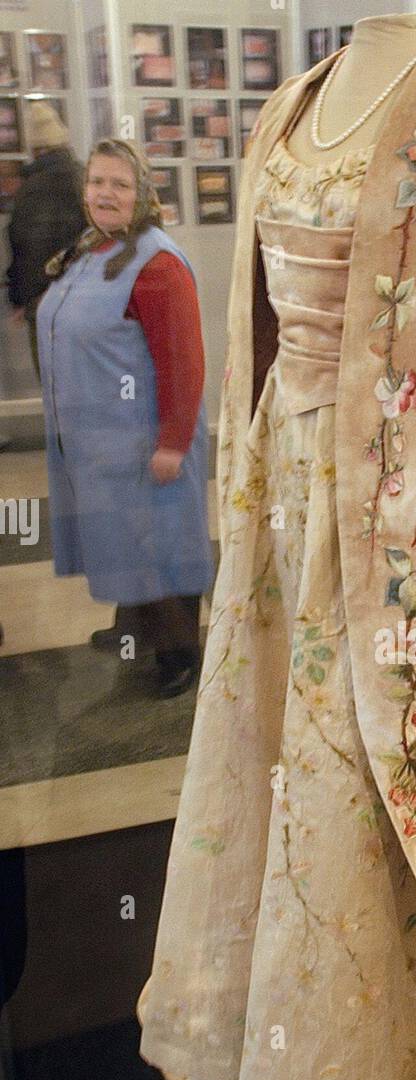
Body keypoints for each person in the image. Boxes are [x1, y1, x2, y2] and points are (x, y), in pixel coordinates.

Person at [37, 138, 214, 697]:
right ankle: (133, 627)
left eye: (120, 184)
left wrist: (174, 442)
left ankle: (180, 653)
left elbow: (183, 360)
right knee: (121, 536)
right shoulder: (93, 249)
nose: (105, 193)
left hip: (143, 440)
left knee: (159, 543)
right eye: (97, 182)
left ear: (142, 194)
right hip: (97, 440)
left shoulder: (158, 264)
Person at [5, 101, 87, 379]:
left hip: (42, 299)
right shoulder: (83, 177)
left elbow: (23, 245)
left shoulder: (30, 188)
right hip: (84, 295)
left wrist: (19, 298)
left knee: (52, 380)